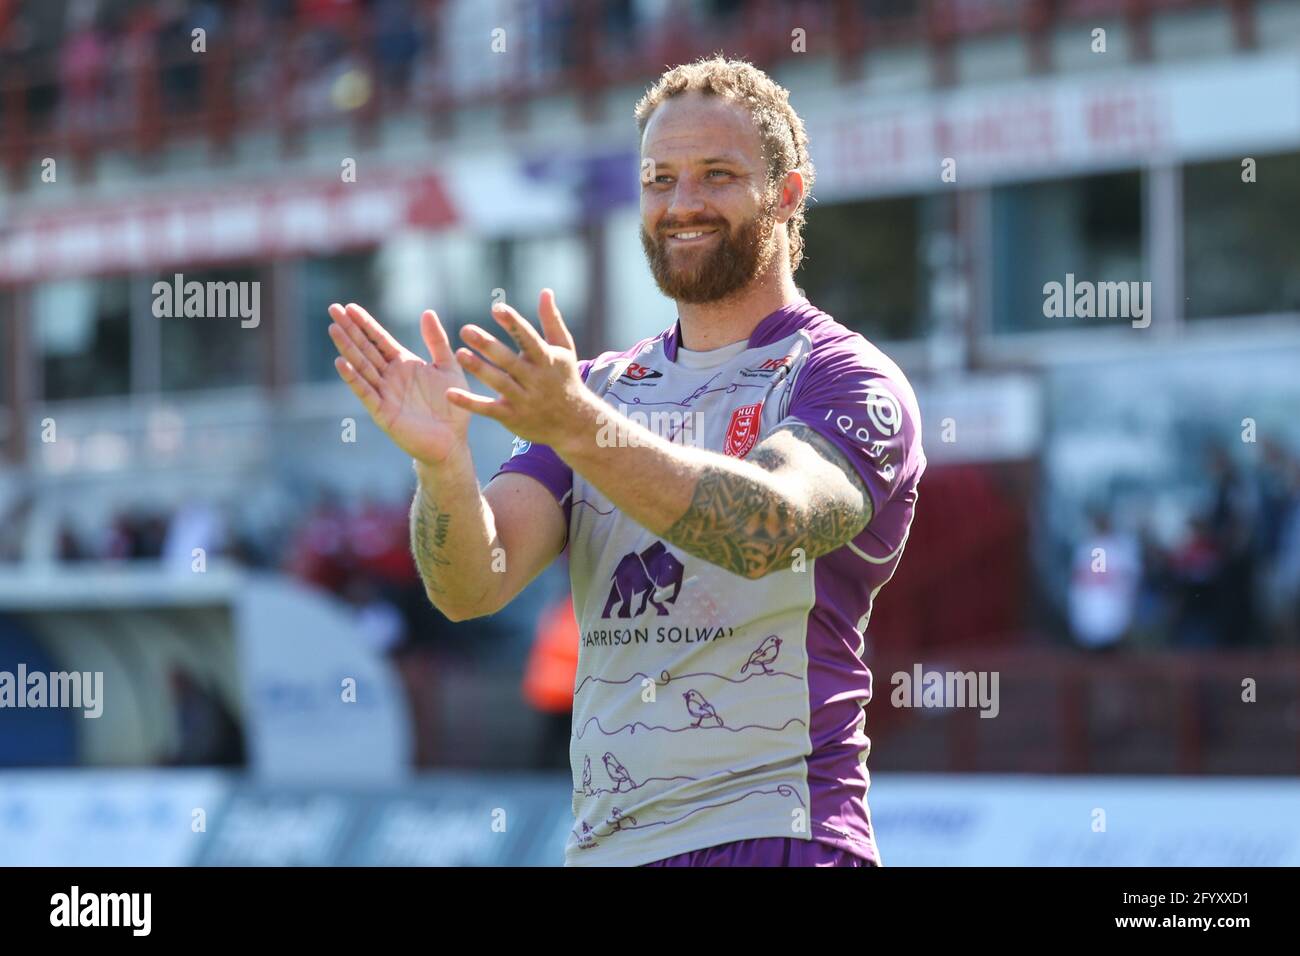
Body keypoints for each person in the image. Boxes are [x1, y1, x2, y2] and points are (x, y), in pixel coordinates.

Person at [326, 56, 925, 867]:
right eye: (659, 179)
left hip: (776, 838)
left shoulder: (844, 379)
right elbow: (471, 585)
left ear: (787, 194)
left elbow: (768, 528)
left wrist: (579, 426)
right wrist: (442, 466)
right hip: (608, 850)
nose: (682, 204)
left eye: (717, 175)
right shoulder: (600, 390)